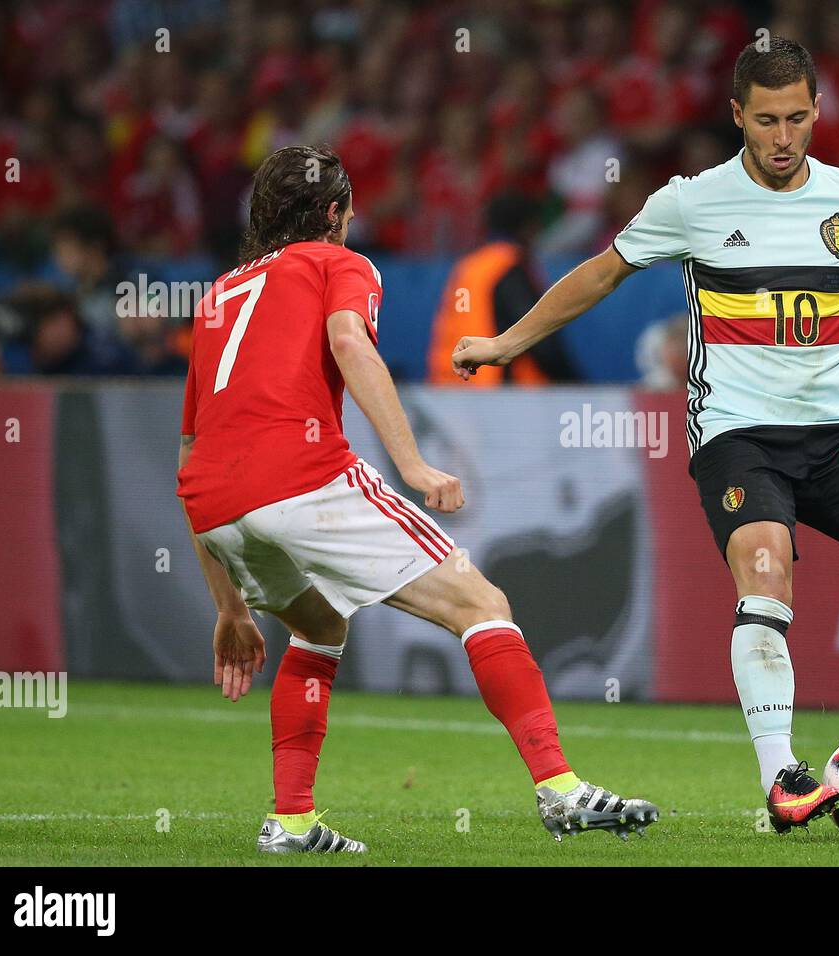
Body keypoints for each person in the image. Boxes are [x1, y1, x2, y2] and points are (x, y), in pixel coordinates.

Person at [453, 38, 839, 829]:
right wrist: (508, 341)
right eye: (766, 121)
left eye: (798, 118)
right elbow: (601, 273)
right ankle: (784, 776)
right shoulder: (691, 202)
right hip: (738, 435)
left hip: (836, 429)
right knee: (765, 567)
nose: (783, 138)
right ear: (737, 116)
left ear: (818, 111)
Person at [177, 145, 657, 853]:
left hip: (216, 505)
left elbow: (189, 451)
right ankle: (560, 789)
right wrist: (411, 462)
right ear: (336, 213)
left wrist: (228, 605)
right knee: (482, 604)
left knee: (319, 628)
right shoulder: (340, 262)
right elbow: (350, 340)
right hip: (301, 477)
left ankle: (292, 821)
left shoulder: (218, 294)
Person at [426, 193, 580, 385]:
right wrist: (575, 385)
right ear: (527, 227)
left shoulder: (468, 267)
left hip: (453, 389)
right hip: (498, 397)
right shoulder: (508, 267)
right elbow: (537, 336)